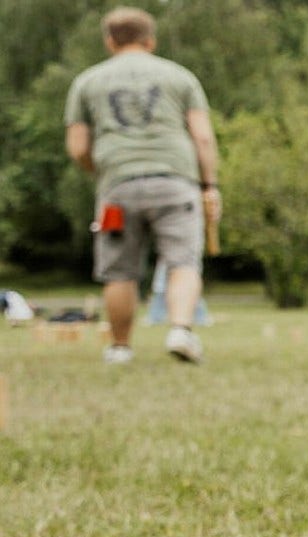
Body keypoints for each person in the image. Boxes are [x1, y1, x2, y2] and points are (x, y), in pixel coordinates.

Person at [63, 7, 219, 366]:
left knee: (119, 271)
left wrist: (102, 172)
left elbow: (78, 147)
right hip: (175, 181)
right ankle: (180, 330)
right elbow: (203, 138)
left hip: (117, 185)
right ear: (150, 40)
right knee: (183, 262)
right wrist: (209, 184)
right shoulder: (180, 77)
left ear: (109, 41)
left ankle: (120, 348)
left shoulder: (87, 82)